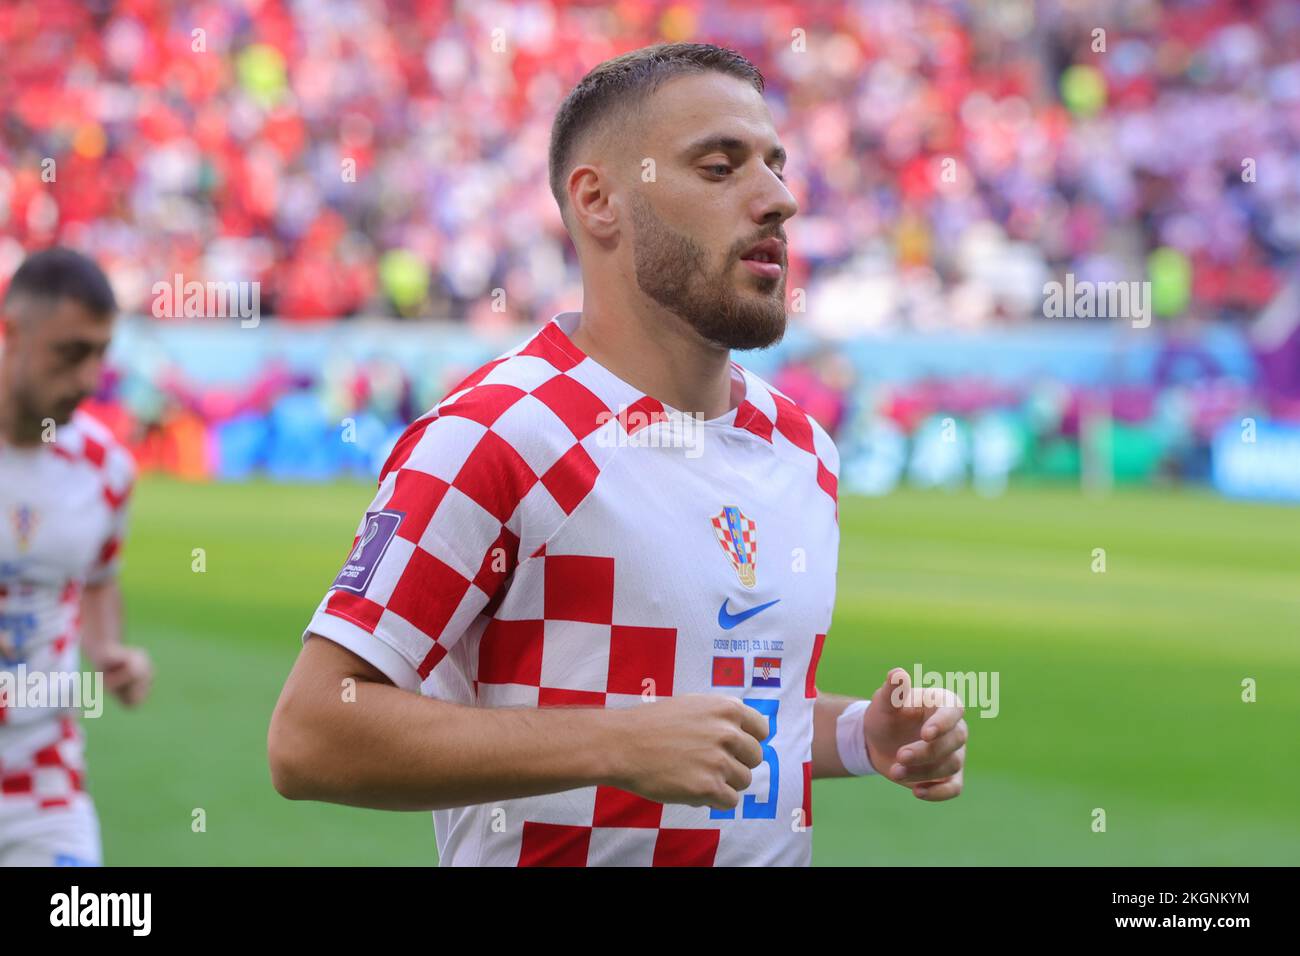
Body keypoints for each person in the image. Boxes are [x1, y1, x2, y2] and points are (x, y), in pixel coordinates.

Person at [269, 42, 967, 866]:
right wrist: (613, 743)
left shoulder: (801, 447)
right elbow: (313, 733)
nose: (779, 199)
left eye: (776, 166)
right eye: (719, 167)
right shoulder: (499, 433)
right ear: (599, 201)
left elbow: (721, 719)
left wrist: (859, 734)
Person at [0, 247, 152, 866]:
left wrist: (109, 651)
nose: (89, 379)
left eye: (100, 353)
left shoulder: (105, 469)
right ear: (11, 334)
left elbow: (95, 578)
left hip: (44, 785)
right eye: (70, 353)